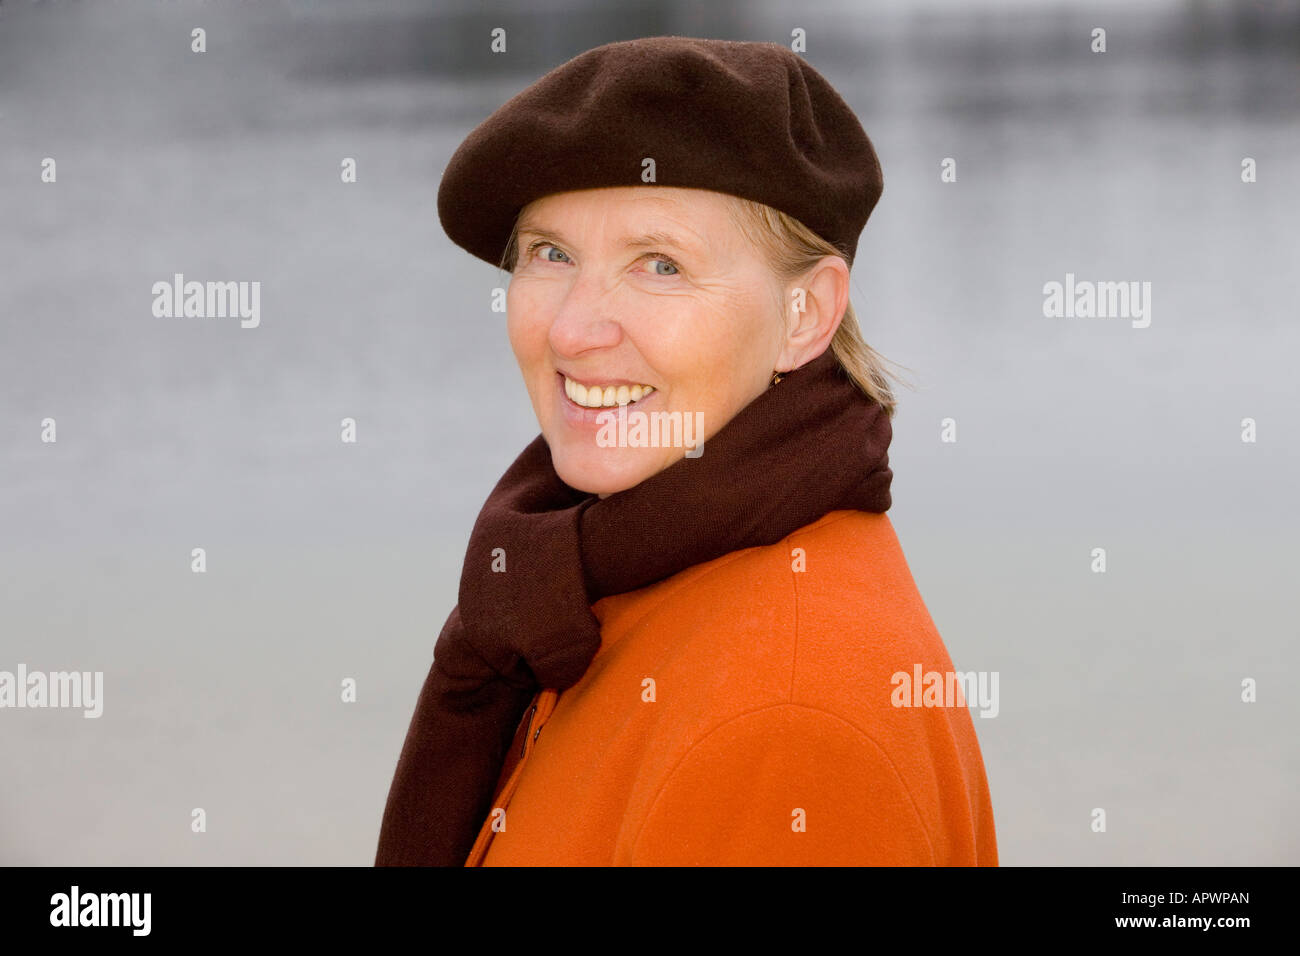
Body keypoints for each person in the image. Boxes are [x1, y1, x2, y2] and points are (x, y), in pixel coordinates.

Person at [375, 35, 998, 866]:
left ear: (805, 315)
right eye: (550, 255)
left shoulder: (783, 728)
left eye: (659, 265)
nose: (572, 329)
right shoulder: (601, 583)